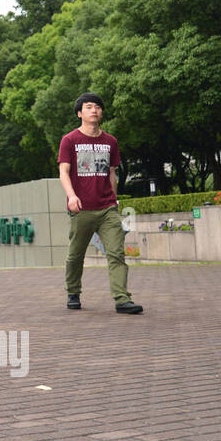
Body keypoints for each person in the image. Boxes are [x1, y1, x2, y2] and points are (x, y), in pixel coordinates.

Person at [58, 92, 143, 315]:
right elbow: (64, 172)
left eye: (97, 107)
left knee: (116, 253)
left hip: (107, 208)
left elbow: (112, 173)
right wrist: (72, 196)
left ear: (101, 112)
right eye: (88, 107)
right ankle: (73, 292)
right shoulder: (70, 140)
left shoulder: (110, 141)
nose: (93, 110)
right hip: (81, 208)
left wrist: (114, 200)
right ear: (79, 113)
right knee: (76, 255)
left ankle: (122, 299)